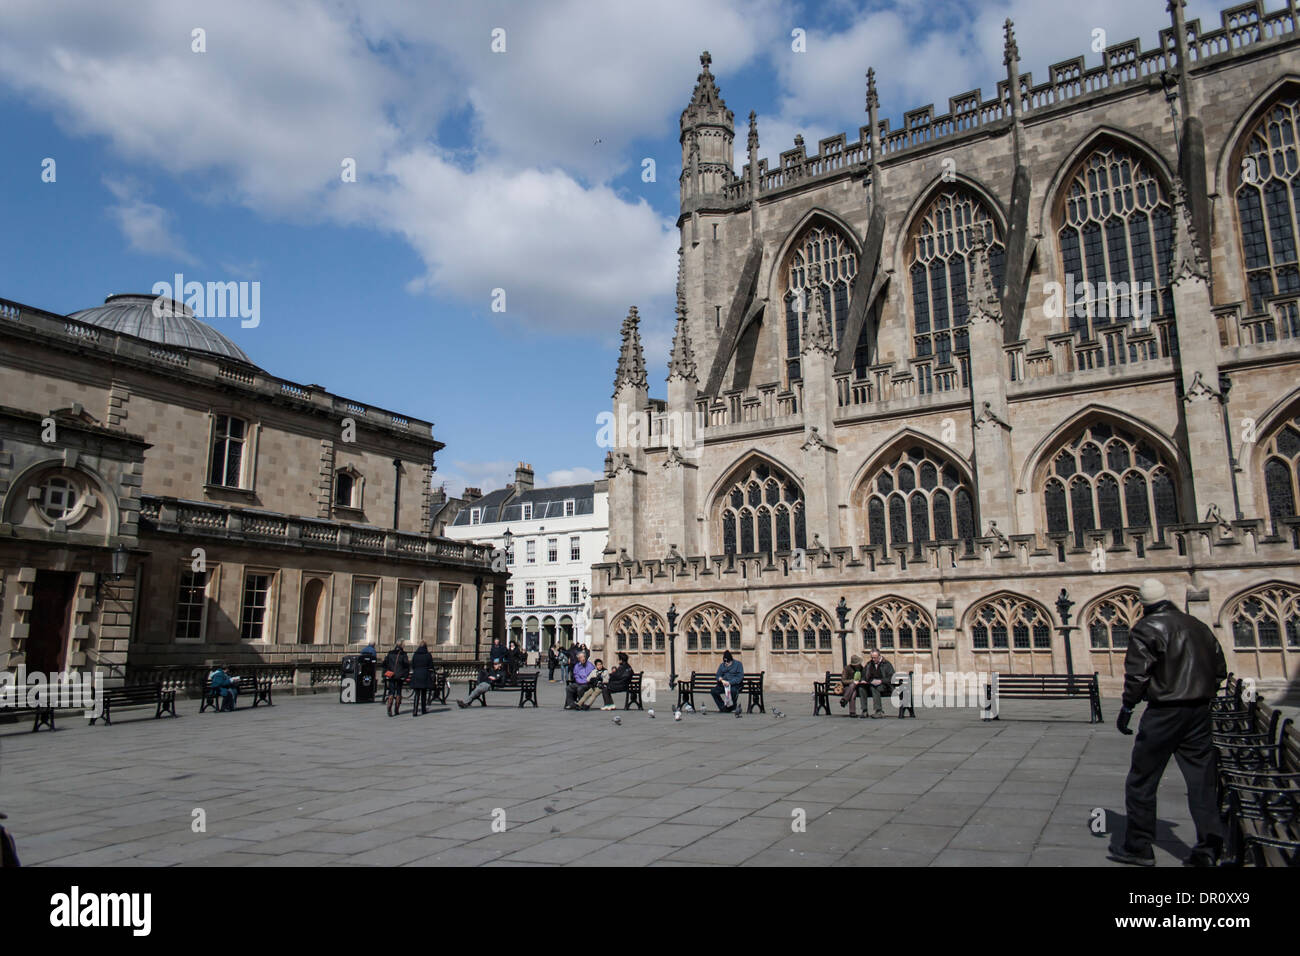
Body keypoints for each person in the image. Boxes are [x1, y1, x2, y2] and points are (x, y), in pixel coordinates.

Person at [1109, 578, 1228, 868]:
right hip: (1199, 711)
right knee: (1201, 781)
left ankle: (1139, 847)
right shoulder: (1197, 626)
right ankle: (1210, 848)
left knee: (1142, 779)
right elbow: (1220, 669)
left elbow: (1138, 676)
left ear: (1144, 604)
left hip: (1164, 712)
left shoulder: (1147, 628)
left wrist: (1127, 706)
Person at [863, 647, 894, 717]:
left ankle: (879, 711)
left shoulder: (886, 664)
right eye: (872, 657)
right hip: (871, 684)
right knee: (861, 688)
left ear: (879, 656)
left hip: (885, 686)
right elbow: (864, 674)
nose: (873, 659)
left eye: (875, 657)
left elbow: (891, 677)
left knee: (875, 687)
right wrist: (865, 680)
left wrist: (881, 681)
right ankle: (864, 711)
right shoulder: (869, 664)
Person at [382, 643, 410, 717]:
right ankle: (396, 709)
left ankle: (389, 707)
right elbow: (406, 666)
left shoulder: (390, 653)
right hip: (400, 676)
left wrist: (386, 673)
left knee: (391, 691)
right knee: (398, 691)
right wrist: (405, 675)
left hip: (391, 675)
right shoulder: (403, 655)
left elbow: (384, 664)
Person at [409, 641, 435, 716]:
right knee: (423, 693)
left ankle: (415, 710)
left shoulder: (415, 654)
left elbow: (413, 665)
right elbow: (431, 666)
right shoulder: (428, 655)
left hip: (416, 674)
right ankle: (423, 709)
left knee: (417, 694)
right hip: (425, 674)